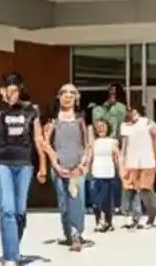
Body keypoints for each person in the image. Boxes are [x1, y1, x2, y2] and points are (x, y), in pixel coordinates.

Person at [0, 72, 44, 266]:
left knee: (20, 211)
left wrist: (43, 164)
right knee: (7, 209)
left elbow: (39, 140)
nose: (13, 93)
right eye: (9, 89)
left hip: (24, 163)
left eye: (16, 89)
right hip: (1, 162)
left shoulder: (31, 110)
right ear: (2, 91)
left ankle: (12, 248)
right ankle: (10, 258)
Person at [43, 83, 92, 252]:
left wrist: (84, 163)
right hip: (59, 166)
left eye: (72, 93)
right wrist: (55, 163)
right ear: (59, 96)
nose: (68, 96)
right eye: (64, 92)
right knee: (64, 202)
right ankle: (68, 233)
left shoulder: (81, 119)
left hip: (77, 166)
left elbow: (87, 144)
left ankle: (76, 233)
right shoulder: (53, 119)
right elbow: (45, 143)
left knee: (77, 201)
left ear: (77, 98)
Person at [121, 105, 156, 230]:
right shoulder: (126, 126)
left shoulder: (150, 124)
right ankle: (136, 217)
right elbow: (125, 145)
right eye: (129, 111)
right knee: (133, 191)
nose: (131, 113)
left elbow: (155, 143)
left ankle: (151, 215)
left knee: (145, 190)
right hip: (132, 162)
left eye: (133, 111)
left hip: (147, 161)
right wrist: (123, 162)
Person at [90, 82, 127, 213]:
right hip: (100, 144)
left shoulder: (122, 108)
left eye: (115, 92)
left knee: (116, 178)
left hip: (115, 144)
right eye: (111, 92)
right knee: (98, 178)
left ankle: (116, 204)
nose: (113, 94)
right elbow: (99, 123)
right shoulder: (98, 109)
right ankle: (97, 204)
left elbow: (121, 127)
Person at [88, 119, 122, 233]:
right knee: (96, 201)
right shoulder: (94, 142)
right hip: (95, 173)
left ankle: (106, 222)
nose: (100, 128)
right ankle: (100, 221)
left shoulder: (113, 142)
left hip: (108, 174)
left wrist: (121, 171)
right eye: (98, 126)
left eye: (103, 125)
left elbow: (117, 158)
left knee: (105, 200)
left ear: (108, 127)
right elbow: (89, 158)